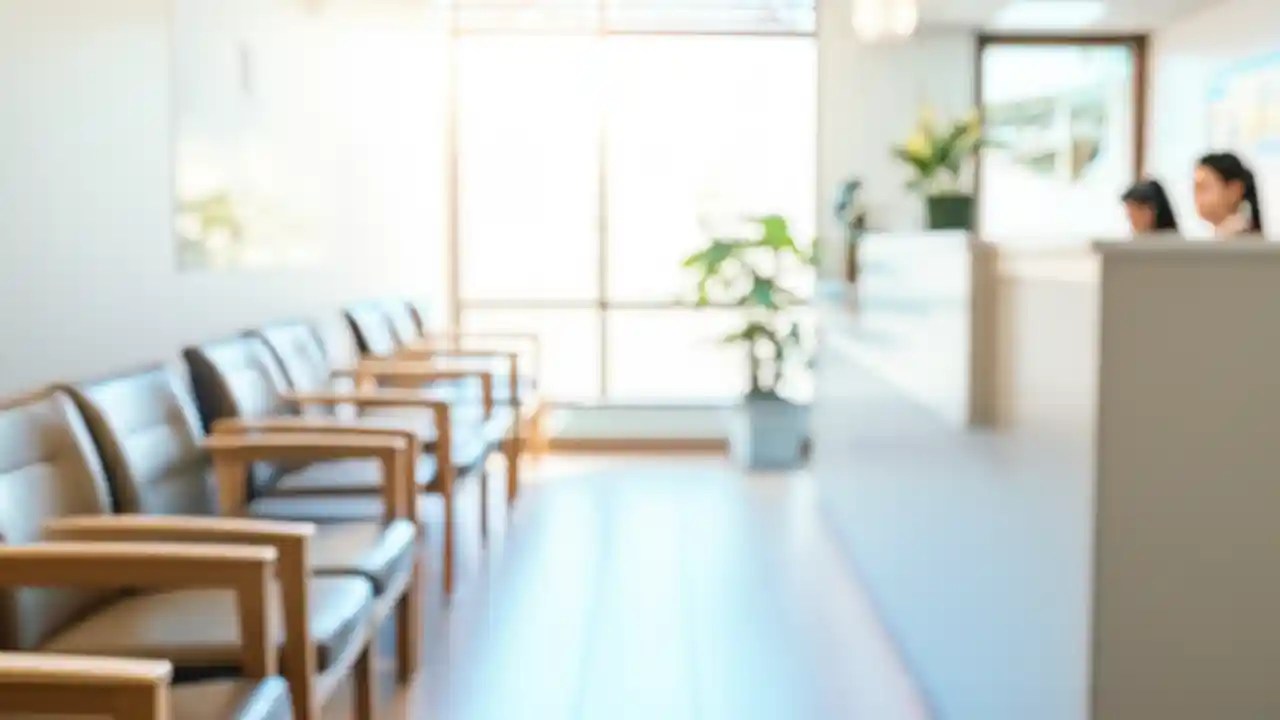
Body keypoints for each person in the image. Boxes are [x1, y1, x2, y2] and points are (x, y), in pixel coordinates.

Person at [1195, 152, 1265, 237]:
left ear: (1234, 190)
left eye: (1203, 187)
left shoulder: (1244, 239)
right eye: (1195, 189)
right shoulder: (1222, 235)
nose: (1196, 196)